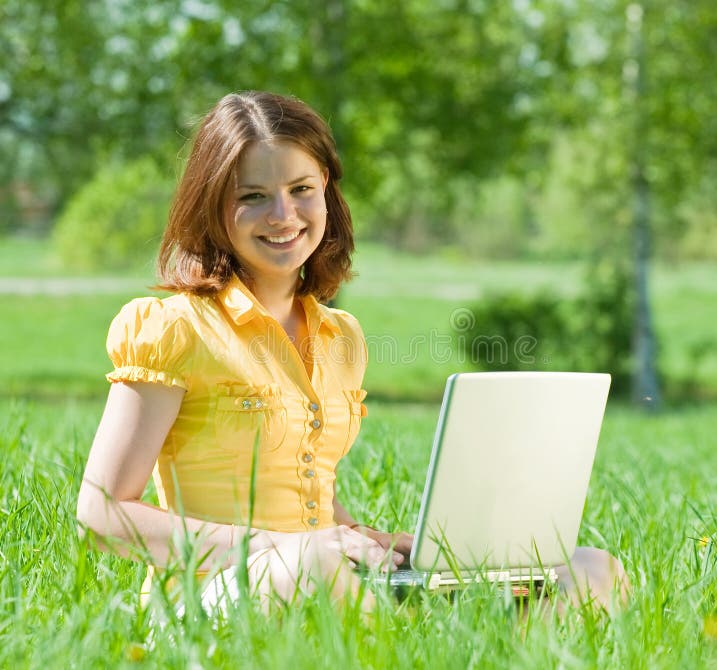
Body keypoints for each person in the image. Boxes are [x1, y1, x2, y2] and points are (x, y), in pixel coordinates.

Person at [76, 90, 628, 615]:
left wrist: (377, 543)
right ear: (212, 208)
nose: (282, 215)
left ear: (326, 193)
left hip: (321, 574)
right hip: (212, 595)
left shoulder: (341, 337)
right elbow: (101, 515)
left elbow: (307, 491)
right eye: (252, 196)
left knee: (589, 571)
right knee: (316, 573)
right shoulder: (172, 328)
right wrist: (277, 548)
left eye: (301, 190)